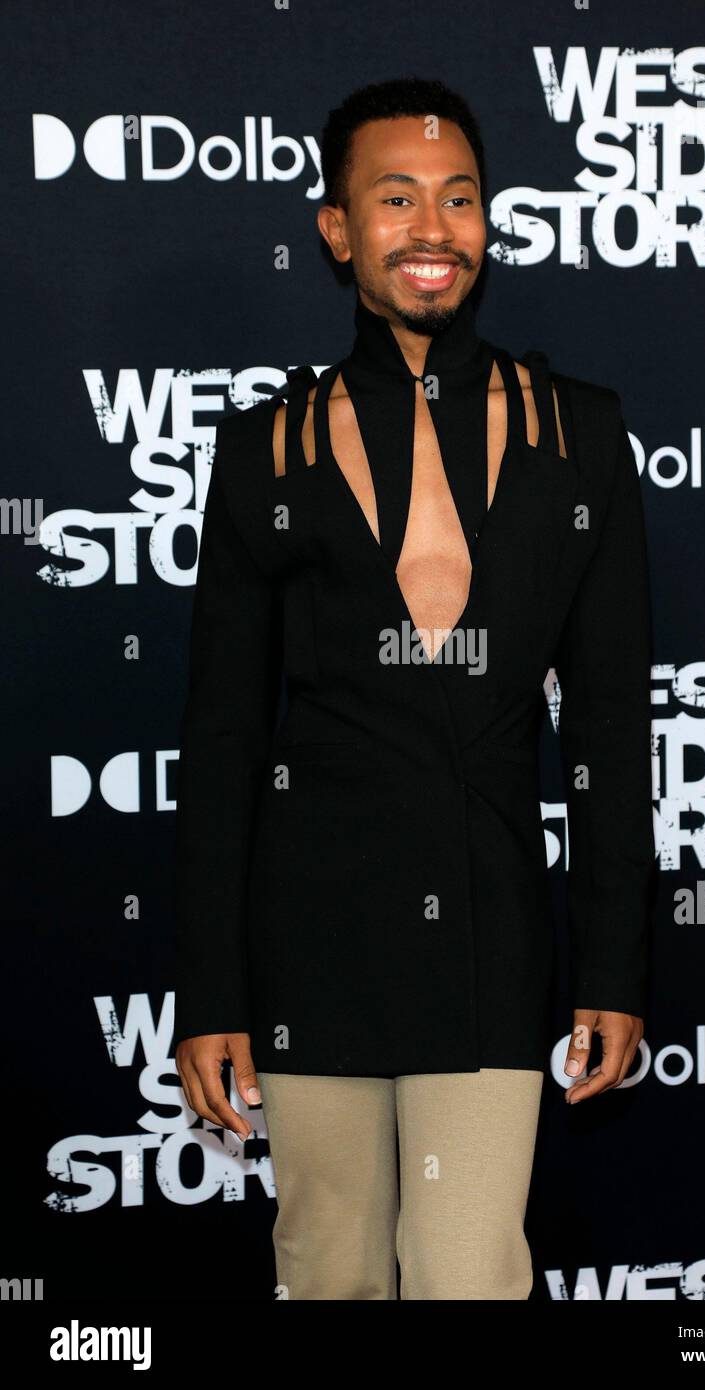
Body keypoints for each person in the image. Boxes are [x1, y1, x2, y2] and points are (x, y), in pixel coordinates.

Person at [172, 76, 655, 1300]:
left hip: (490, 937)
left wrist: (612, 969)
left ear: (487, 222)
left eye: (457, 198)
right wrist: (212, 989)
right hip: (309, 940)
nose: (430, 228)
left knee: (463, 1275)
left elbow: (604, 724)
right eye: (394, 199)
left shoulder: (577, 433)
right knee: (327, 1274)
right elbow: (224, 737)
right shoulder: (264, 445)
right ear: (337, 229)